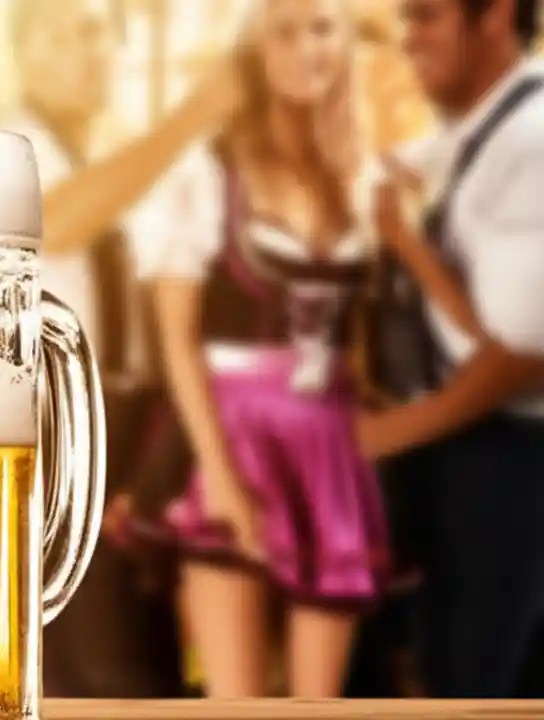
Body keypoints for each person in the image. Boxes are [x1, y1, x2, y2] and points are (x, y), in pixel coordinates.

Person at [121, 0, 479, 698]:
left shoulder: (363, 177)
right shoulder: (206, 171)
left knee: (320, 706)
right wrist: (221, 478)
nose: (306, 48)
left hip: (327, 447)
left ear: (345, 42)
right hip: (229, 435)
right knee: (237, 701)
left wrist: (406, 237)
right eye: (284, 30)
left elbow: (446, 330)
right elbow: (176, 337)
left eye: (323, 28)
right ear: (255, 48)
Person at [0, 0, 185, 698]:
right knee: (102, 656)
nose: (88, 50)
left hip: (128, 423)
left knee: (127, 643)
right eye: (66, 33)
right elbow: (64, 221)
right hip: (52, 419)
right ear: (26, 52)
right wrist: (198, 112)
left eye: (97, 32)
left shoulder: (103, 155)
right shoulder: (10, 144)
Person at [360, 0, 544, 698]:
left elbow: (520, 356)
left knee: (474, 689)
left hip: (509, 465)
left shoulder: (530, 140)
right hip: (466, 456)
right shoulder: (476, 131)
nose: (408, 41)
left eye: (426, 18)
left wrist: (382, 436)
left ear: (496, 16)